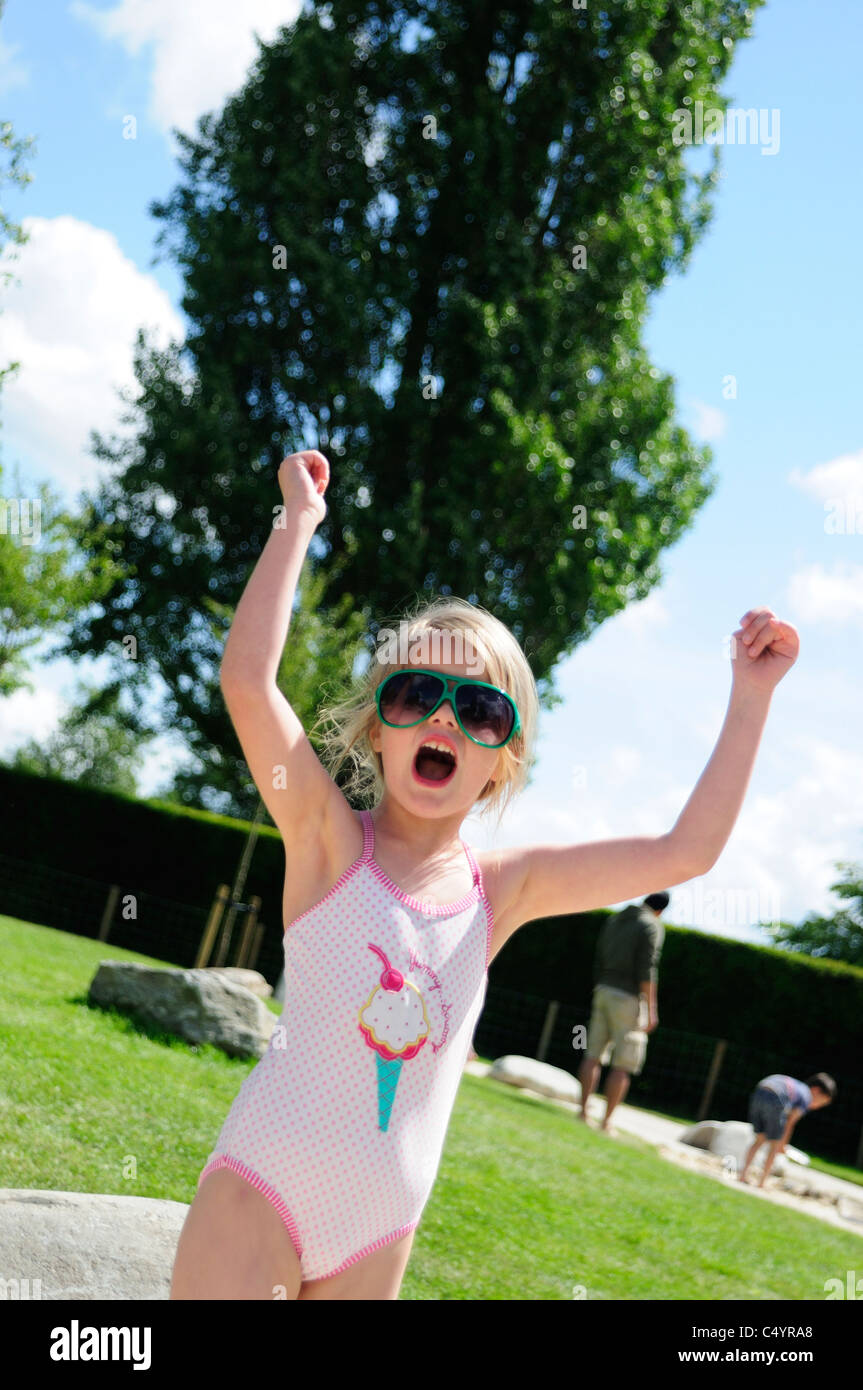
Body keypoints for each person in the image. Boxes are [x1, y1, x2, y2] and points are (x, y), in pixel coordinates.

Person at [170, 449, 799, 1301]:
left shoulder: (504, 889)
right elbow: (248, 681)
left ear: (502, 763)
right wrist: (296, 524)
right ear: (378, 731)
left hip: (381, 1227)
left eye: (477, 710)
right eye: (412, 694)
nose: (441, 717)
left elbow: (683, 853)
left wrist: (751, 696)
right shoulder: (326, 842)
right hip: (262, 1191)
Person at [577, 893, 667, 1132]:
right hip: (628, 998)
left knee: (592, 1054)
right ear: (661, 910)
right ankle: (606, 1123)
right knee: (623, 1063)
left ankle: (582, 1112)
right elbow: (648, 968)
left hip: (603, 990)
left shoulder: (616, 919)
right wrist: (652, 1009)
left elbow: (599, 956)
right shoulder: (651, 925)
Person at [739, 1072, 836, 1187]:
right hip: (777, 1097)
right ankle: (762, 1182)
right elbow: (790, 1123)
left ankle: (743, 1175)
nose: (817, 1107)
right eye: (820, 1102)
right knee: (774, 1145)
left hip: (761, 1090)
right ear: (815, 1090)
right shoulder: (806, 1097)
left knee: (759, 1139)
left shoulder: (797, 1087)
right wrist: (783, 1144)